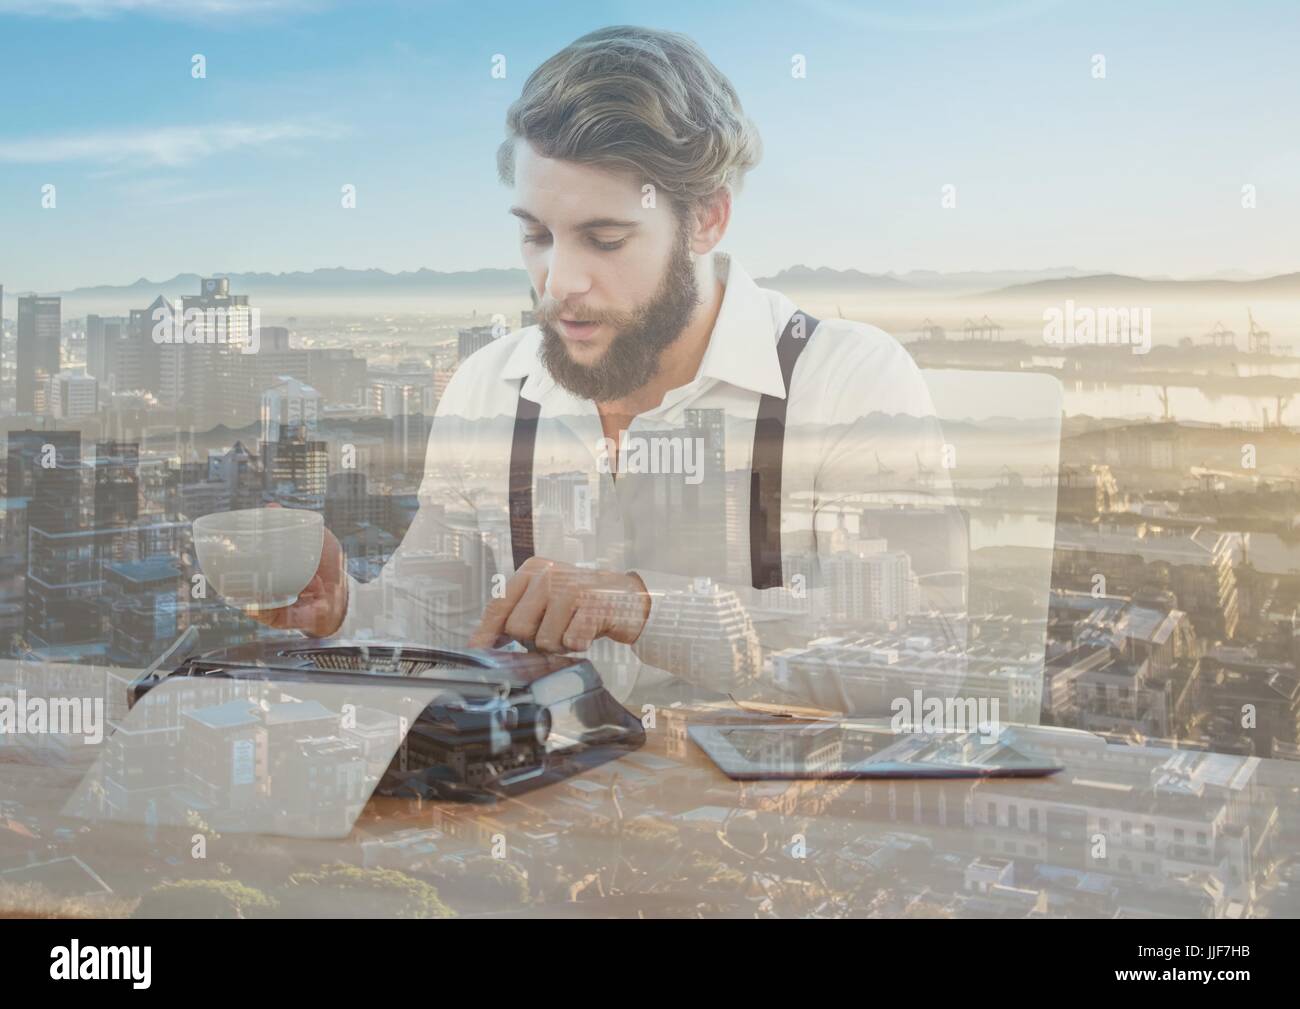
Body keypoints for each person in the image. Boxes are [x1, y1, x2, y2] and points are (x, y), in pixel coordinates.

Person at [249, 25, 965, 710]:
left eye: (605, 238)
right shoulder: (487, 389)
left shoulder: (848, 380)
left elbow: (925, 653)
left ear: (707, 219)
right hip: (546, 821)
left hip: (769, 831)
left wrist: (649, 606)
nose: (559, 281)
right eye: (537, 235)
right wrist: (344, 609)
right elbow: (438, 616)